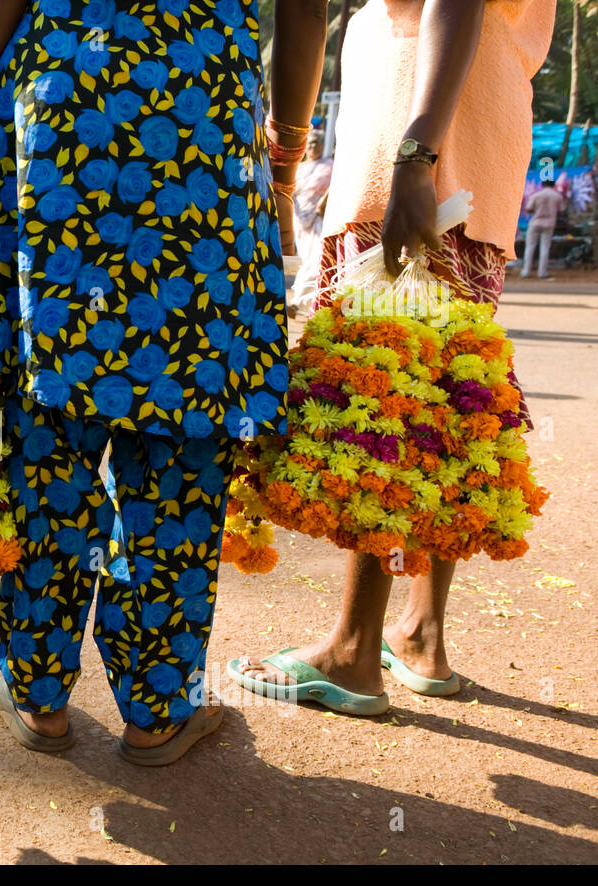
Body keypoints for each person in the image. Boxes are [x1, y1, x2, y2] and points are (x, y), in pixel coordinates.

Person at [0, 0, 331, 764]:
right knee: (188, 412)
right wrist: (282, 161)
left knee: (52, 429)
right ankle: (159, 707)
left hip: (65, 100)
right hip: (202, 104)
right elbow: (305, 9)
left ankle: (36, 694)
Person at [232, 0, 555, 714]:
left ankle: (352, 652)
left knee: (386, 387)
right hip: (475, 127)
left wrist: (416, 154)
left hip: (417, 131)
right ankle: (420, 633)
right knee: (440, 390)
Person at [287, 129, 333, 310]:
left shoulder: (329, 166)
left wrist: (323, 202)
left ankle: (300, 303)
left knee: (316, 260)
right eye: (310, 143)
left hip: (318, 218)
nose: (313, 147)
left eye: (316, 143)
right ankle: (303, 302)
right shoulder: (300, 167)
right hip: (299, 219)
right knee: (306, 260)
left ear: (322, 146)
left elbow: (333, 188)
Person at [519, 176, 568, 279]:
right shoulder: (557, 196)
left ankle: (526, 271)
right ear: (553, 185)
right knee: (545, 248)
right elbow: (562, 210)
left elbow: (528, 209)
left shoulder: (536, 195)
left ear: (542, 185)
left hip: (535, 222)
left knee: (530, 247)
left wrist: (537, 212)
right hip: (549, 224)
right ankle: (542, 273)